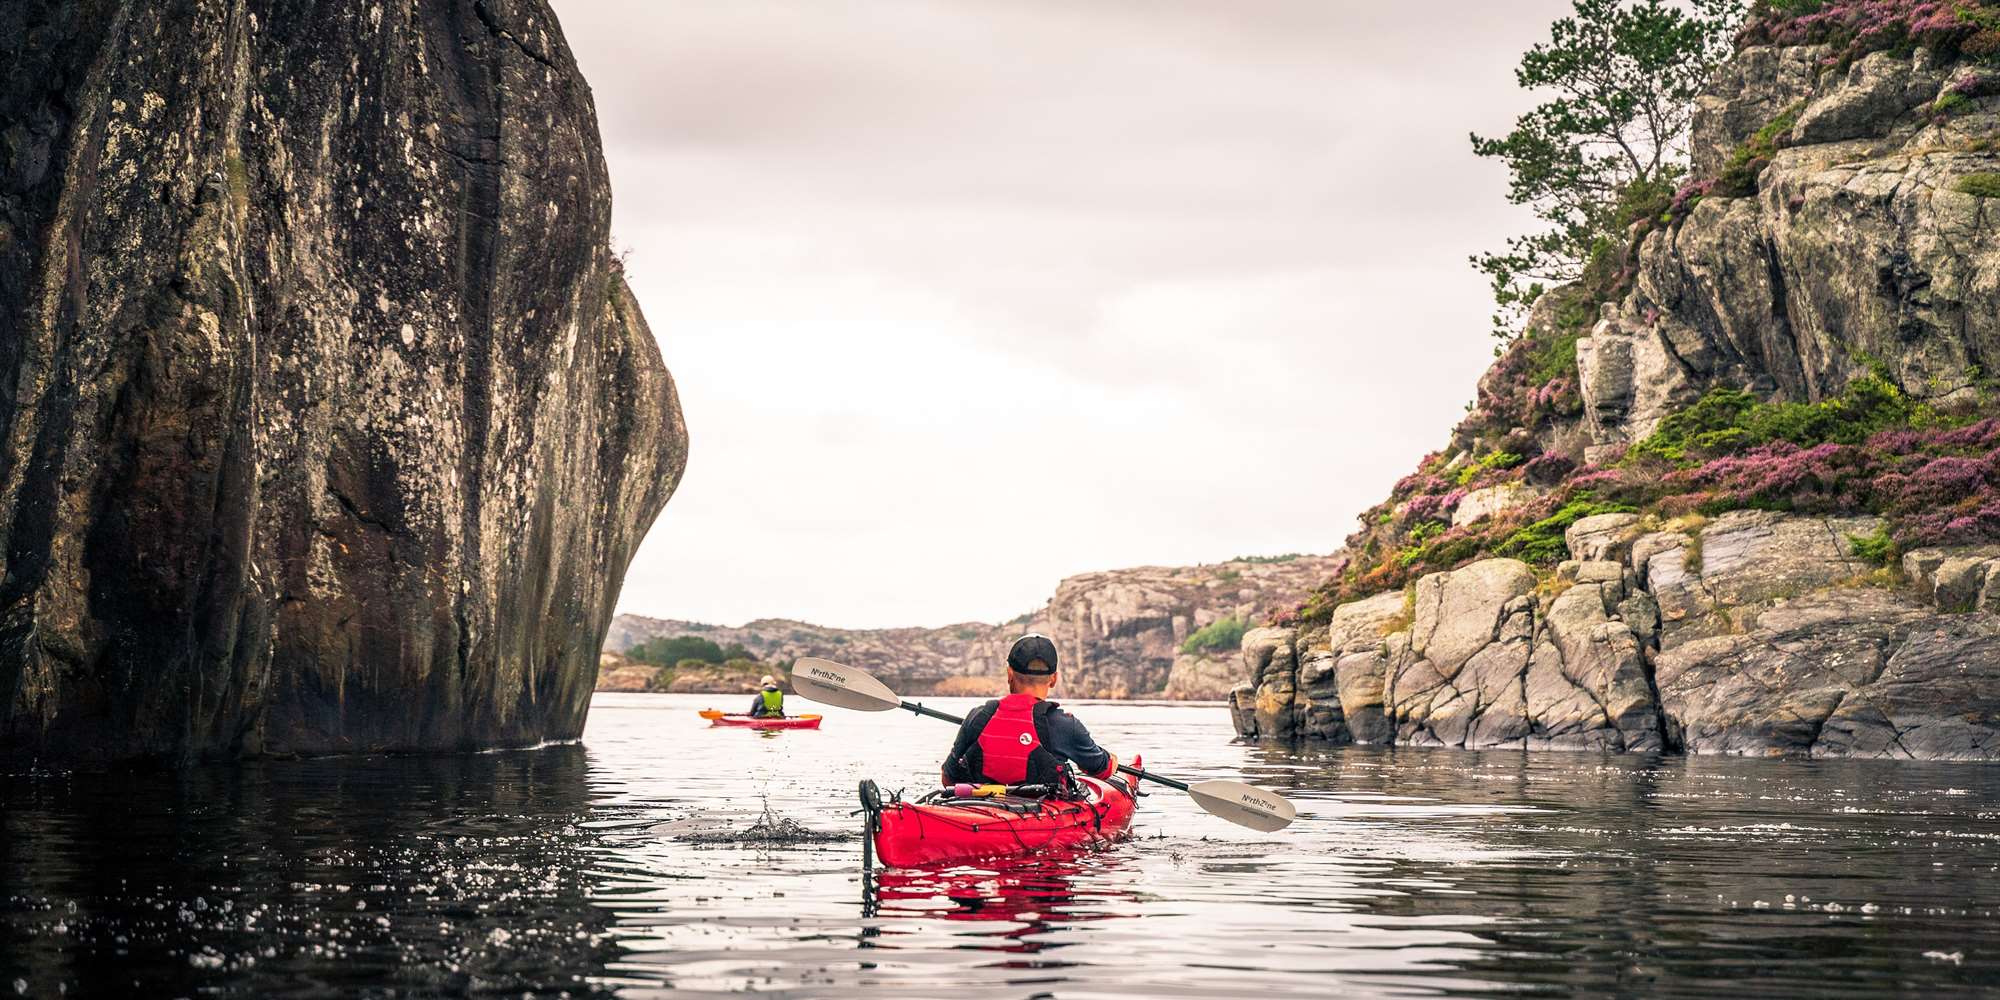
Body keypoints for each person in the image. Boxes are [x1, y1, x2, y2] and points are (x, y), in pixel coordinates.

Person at [940, 634, 1121, 790]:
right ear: (1054, 679)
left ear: (1009, 674)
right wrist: (1112, 760)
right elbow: (1102, 769)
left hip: (974, 811)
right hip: (1042, 818)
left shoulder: (978, 716)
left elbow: (948, 779)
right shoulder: (1065, 724)